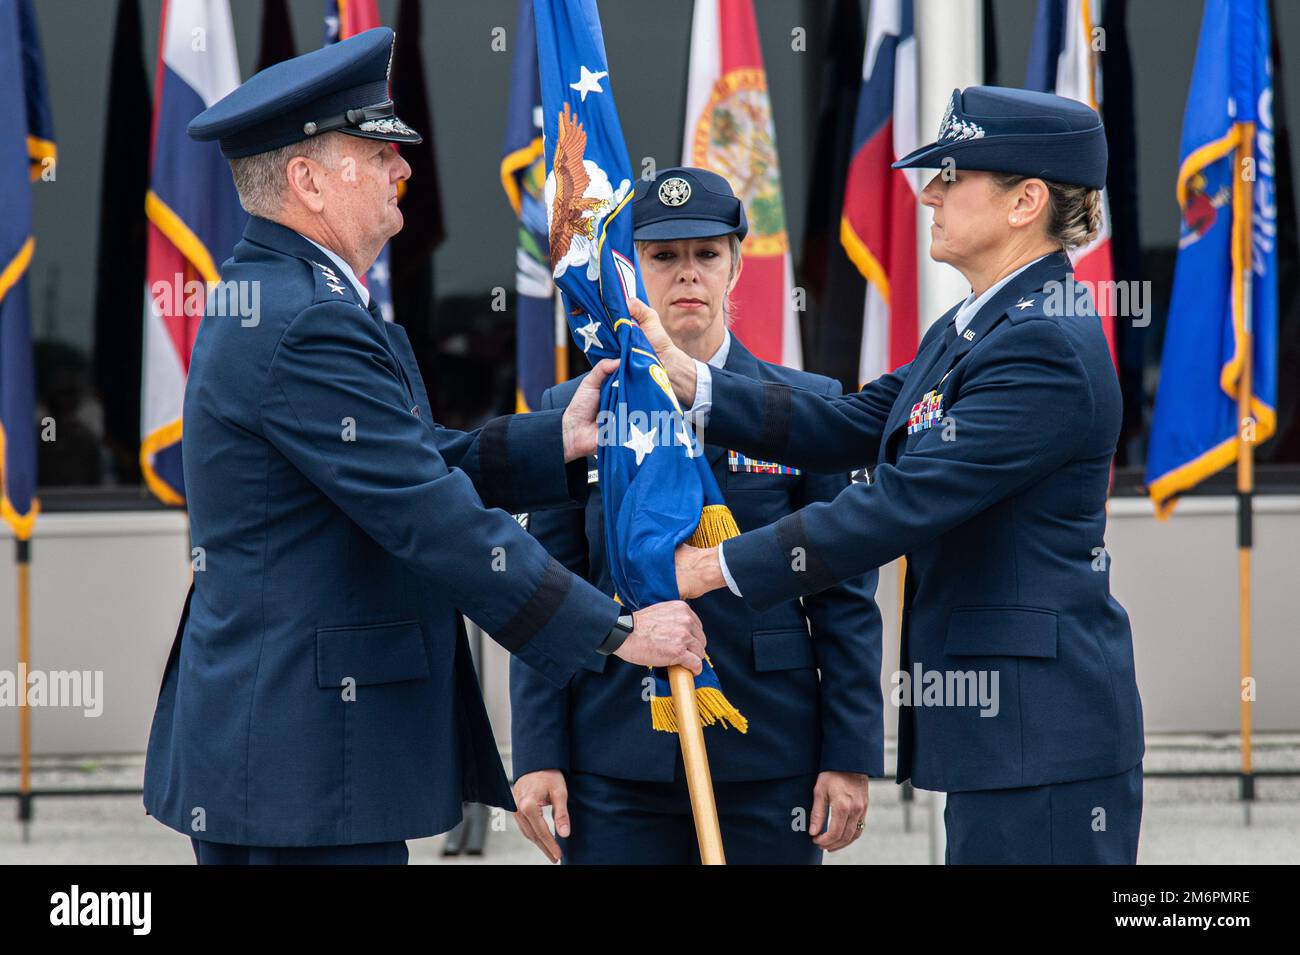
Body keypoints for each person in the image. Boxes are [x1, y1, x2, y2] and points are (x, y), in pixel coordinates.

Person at [142, 28, 706, 865]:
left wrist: (554, 441)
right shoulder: (306, 320)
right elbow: (427, 515)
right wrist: (616, 629)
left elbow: (404, 461)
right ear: (306, 180)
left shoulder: (291, 297)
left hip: (290, 757)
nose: (404, 168)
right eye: (376, 153)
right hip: (306, 768)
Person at [637, 88, 1145, 864]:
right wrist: (693, 382)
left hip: (1043, 739)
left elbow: (899, 503)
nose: (928, 192)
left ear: (1026, 201)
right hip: (1007, 739)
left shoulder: (1040, 346)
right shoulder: (978, 324)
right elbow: (850, 424)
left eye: (950, 175)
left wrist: (714, 566)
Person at [509, 167, 884, 865]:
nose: (687, 275)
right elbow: (545, 587)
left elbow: (844, 595)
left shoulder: (804, 407)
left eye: (707, 254)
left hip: (767, 752)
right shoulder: (579, 408)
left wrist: (851, 752)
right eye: (663, 256)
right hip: (612, 753)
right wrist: (537, 753)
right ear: (632, 269)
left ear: (737, 264)